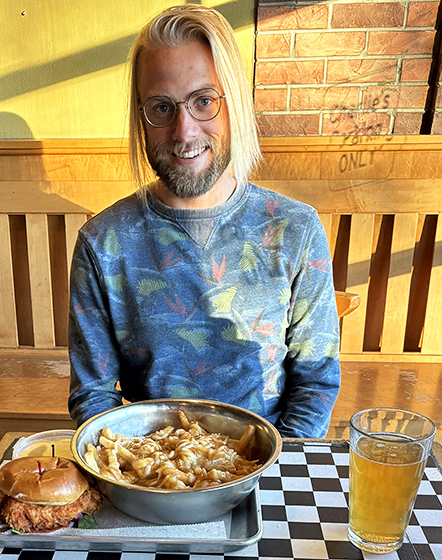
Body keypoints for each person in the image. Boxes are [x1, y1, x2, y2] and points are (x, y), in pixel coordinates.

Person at [68, 5, 340, 438]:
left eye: (204, 101)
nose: (184, 131)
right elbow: (93, 395)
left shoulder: (296, 229)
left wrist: (268, 471)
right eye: (161, 107)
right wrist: (146, 470)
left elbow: (316, 381)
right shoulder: (102, 243)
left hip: (267, 464)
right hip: (152, 471)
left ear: (234, 104)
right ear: (140, 116)